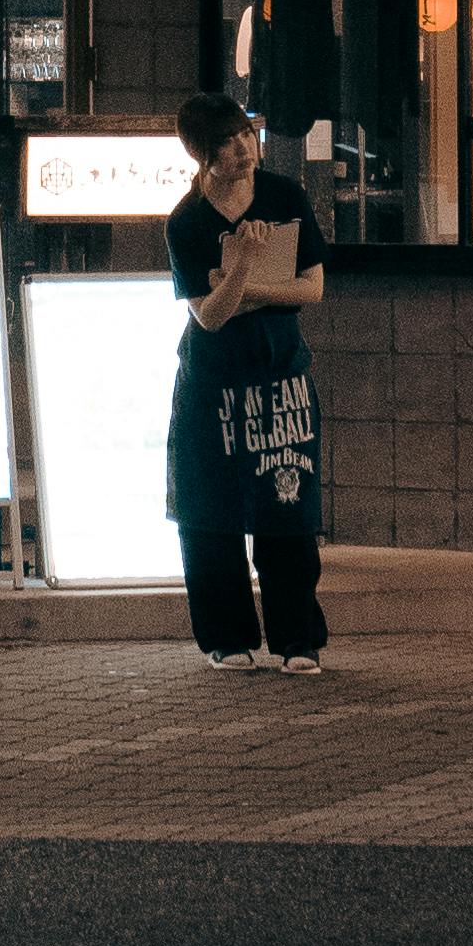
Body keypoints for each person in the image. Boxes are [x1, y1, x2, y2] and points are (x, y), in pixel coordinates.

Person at [165, 89, 329, 671]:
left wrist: (243, 290)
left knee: (287, 508)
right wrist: (238, 272)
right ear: (201, 157)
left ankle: (297, 639)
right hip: (212, 385)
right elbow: (207, 316)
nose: (243, 150)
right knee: (210, 512)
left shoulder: (286, 196)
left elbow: (312, 288)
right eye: (227, 144)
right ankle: (227, 637)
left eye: (245, 135)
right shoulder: (186, 222)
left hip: (279, 376)